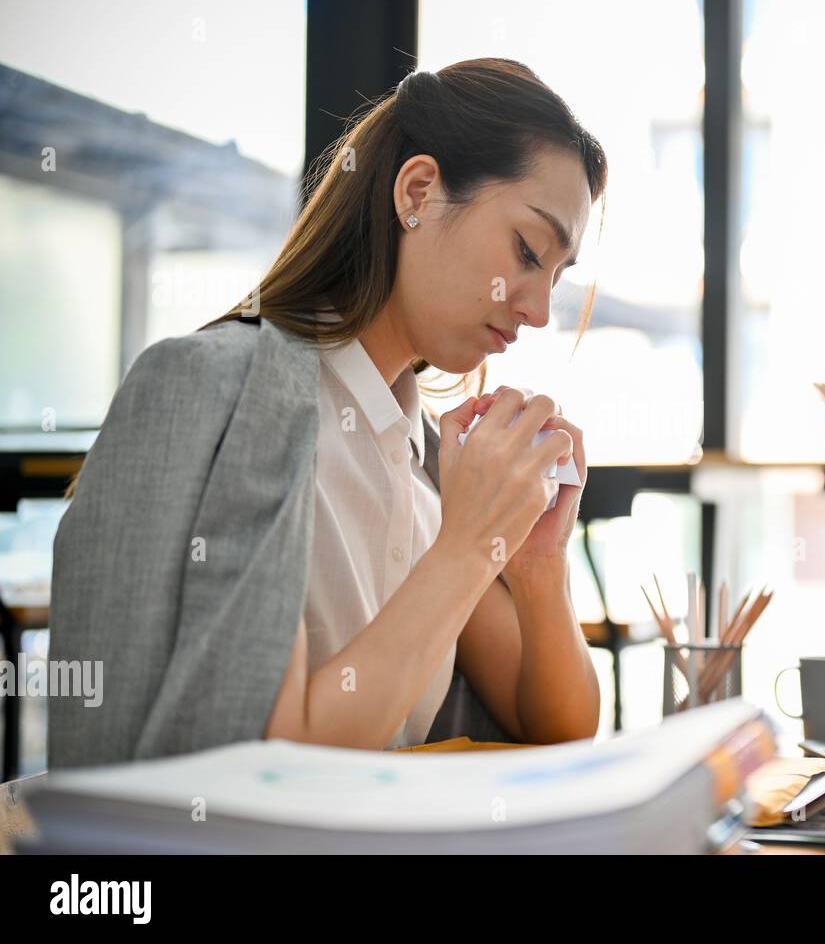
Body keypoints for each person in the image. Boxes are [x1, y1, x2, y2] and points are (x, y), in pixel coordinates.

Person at [47, 58, 608, 768]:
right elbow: (260, 767)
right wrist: (467, 548)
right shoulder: (212, 392)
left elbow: (556, 726)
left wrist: (536, 565)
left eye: (557, 275)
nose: (538, 310)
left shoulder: (424, 457)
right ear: (420, 192)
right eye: (527, 250)